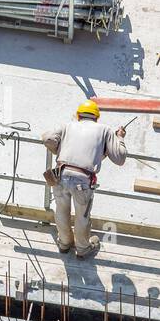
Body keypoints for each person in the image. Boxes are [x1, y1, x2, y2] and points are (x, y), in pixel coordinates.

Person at [40, 100, 127, 259]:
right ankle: (82, 248)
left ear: (78, 115)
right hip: (82, 180)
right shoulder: (105, 130)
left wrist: (59, 150)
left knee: (61, 210)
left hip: (60, 174)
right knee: (82, 216)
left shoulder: (68, 125)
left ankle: (65, 243)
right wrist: (119, 138)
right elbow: (120, 158)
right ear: (96, 118)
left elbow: (47, 139)